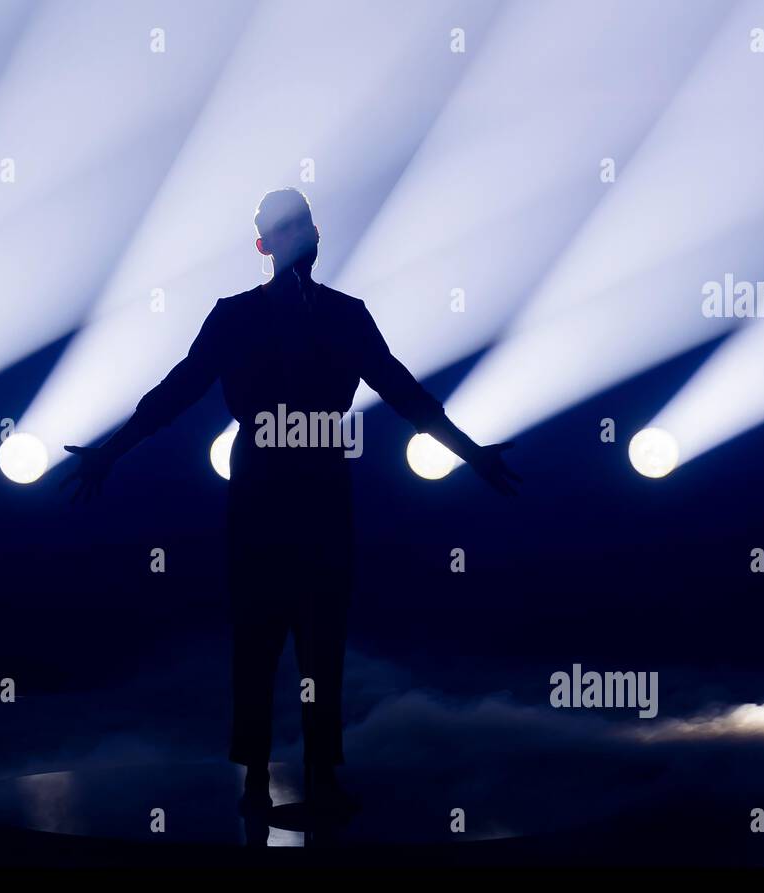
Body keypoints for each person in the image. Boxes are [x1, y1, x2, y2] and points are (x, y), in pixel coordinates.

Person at [62, 188, 519, 816]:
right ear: (265, 244)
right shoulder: (239, 316)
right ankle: (256, 780)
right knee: (259, 635)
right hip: (268, 489)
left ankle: (317, 776)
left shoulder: (343, 315)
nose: (300, 234)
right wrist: (112, 450)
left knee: (319, 637)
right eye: (285, 226)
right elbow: (176, 391)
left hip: (317, 488)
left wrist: (470, 453)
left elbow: (404, 392)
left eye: (302, 223)